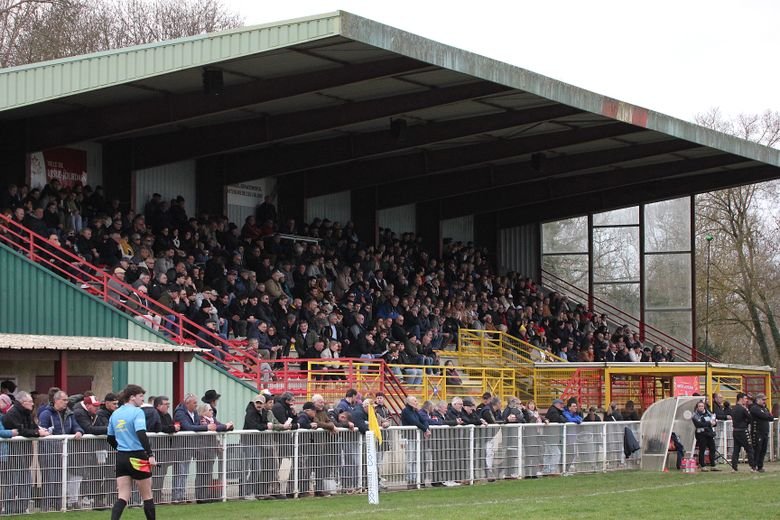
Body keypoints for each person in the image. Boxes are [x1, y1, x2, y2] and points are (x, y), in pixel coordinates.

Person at [107, 384, 157, 520]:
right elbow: (141, 433)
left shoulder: (115, 414)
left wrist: (120, 447)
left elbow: (110, 438)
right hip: (138, 456)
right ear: (132, 397)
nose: (142, 399)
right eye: (140, 396)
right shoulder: (137, 412)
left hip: (122, 456)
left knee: (123, 495)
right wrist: (150, 455)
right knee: (147, 494)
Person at [1, 391, 50, 514]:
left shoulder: (26, 413)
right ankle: (9, 508)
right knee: (13, 480)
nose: (33, 404)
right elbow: (20, 430)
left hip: (25, 451)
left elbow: (31, 426)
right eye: (30, 402)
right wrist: (37, 433)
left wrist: (39, 430)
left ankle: (23, 507)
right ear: (23, 402)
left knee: (25, 480)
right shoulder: (12, 414)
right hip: (14, 452)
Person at [38, 389, 84, 511]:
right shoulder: (46, 414)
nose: (66, 402)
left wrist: (79, 431)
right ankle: (46, 505)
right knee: (49, 477)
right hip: (48, 450)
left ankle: (59, 503)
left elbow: (76, 426)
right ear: (56, 400)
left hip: (64, 451)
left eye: (67, 400)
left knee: (61, 477)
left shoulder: (69, 413)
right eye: (64, 400)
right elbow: (42, 429)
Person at [400, 396, 430, 489]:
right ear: (409, 402)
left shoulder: (415, 411)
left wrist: (426, 429)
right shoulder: (406, 411)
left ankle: (415, 479)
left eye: (417, 400)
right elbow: (414, 422)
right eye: (414, 401)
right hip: (409, 437)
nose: (417, 402)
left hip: (415, 438)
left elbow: (423, 420)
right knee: (410, 459)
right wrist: (425, 429)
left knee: (416, 459)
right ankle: (410, 480)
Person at [729, 392, 756, 472]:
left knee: (736, 449)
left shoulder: (733, 408)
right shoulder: (743, 409)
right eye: (745, 398)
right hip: (743, 431)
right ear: (741, 399)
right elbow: (750, 418)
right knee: (749, 449)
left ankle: (734, 467)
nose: (746, 400)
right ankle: (752, 466)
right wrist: (746, 422)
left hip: (735, 431)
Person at [691, 400, 719, 472]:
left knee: (712, 448)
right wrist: (709, 423)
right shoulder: (695, 415)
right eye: (699, 406)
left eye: (702, 406)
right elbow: (698, 424)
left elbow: (713, 422)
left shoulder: (708, 413)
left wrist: (714, 423)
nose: (701, 407)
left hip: (709, 433)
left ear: (704, 407)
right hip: (701, 434)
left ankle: (713, 465)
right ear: (697, 407)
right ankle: (703, 465)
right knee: (702, 449)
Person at [749, 393, 773, 472]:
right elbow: (765, 416)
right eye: (763, 400)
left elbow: (771, 417)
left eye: (765, 400)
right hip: (757, 432)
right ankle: (754, 466)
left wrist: (767, 415)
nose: (764, 401)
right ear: (758, 399)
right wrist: (767, 415)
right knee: (757, 449)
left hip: (765, 432)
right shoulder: (754, 408)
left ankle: (760, 466)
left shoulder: (765, 408)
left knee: (763, 450)